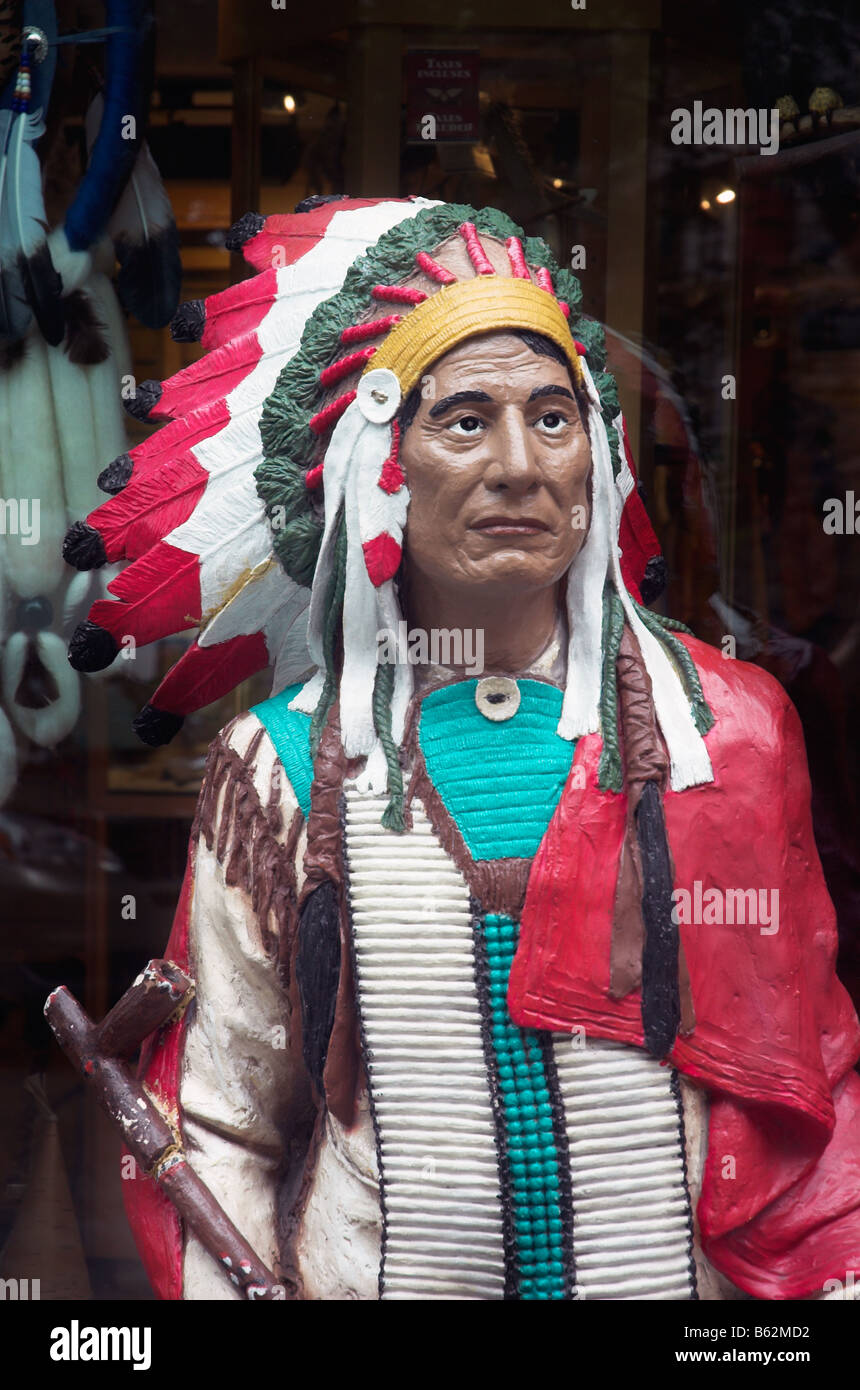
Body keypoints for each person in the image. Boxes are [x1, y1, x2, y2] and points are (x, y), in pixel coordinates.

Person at [64, 197, 860, 1300]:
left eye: (551, 418)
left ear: (596, 460)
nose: (518, 466)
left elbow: (810, 1083)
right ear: (376, 463)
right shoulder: (281, 767)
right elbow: (217, 1121)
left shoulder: (720, 731)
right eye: (464, 420)